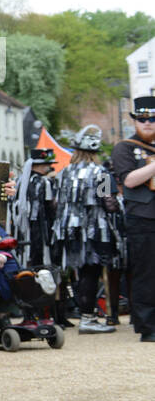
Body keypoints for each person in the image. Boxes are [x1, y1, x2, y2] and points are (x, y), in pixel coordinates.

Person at [53, 125, 123, 334]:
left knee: (80, 273)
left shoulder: (64, 173)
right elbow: (108, 203)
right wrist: (120, 205)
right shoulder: (100, 172)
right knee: (91, 272)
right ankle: (88, 318)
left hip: (70, 230)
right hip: (94, 230)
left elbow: (56, 203)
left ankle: (85, 315)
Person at [110, 97, 155, 342]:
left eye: (152, 119)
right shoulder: (125, 148)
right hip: (143, 217)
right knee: (146, 272)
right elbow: (128, 180)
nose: (147, 123)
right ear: (136, 121)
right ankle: (147, 325)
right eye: (142, 119)